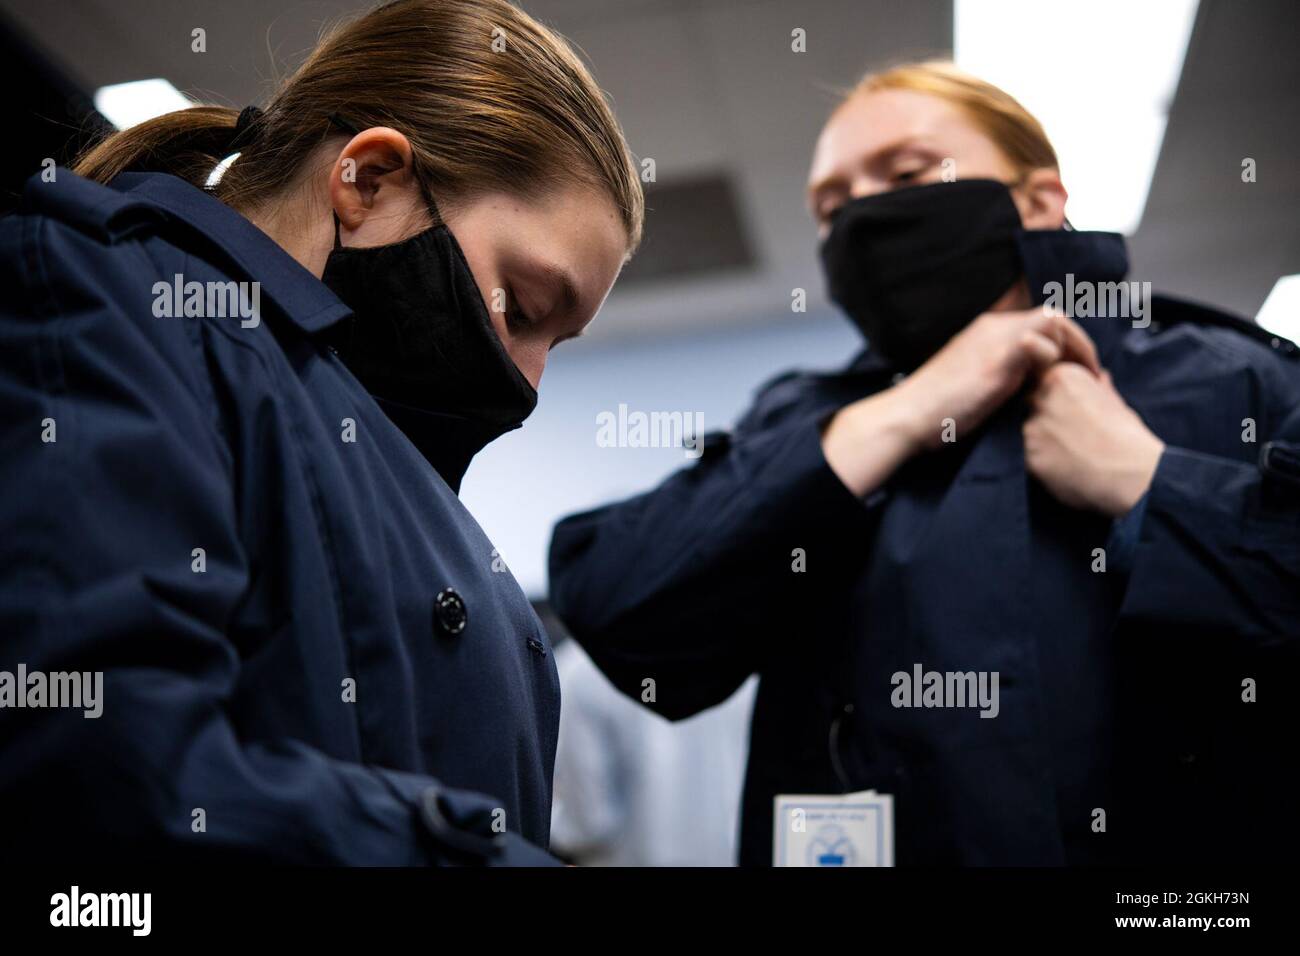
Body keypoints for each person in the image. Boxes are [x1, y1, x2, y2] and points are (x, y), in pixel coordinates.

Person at [548, 62, 1300, 866]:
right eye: (832, 208)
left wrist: (1150, 485)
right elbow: (623, 604)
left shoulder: (1231, 383)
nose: (864, 216)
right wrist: (906, 413)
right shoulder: (810, 418)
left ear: (1040, 202)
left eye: (907, 173)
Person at [0, 0, 641, 864]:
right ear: (368, 178)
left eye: (555, 344)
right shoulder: (111, 298)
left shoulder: (380, 457)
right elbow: (99, 761)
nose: (528, 387)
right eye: (521, 307)